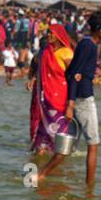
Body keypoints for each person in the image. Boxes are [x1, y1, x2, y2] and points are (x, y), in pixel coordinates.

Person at [37, 11, 101, 185]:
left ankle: (40, 175)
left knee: (67, 147)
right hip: (83, 101)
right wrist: (70, 104)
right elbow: (74, 74)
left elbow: (72, 73)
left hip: (78, 100)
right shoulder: (88, 45)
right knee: (93, 145)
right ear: (100, 29)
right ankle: (90, 189)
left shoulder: (88, 44)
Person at [28, 23, 73, 156]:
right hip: (45, 98)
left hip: (59, 99)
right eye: (48, 32)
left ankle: (57, 160)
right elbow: (40, 72)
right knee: (42, 136)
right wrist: (33, 80)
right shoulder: (45, 51)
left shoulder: (66, 53)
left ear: (59, 36)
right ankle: (39, 158)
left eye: (52, 33)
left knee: (58, 134)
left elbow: (73, 76)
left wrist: (72, 101)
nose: (49, 35)